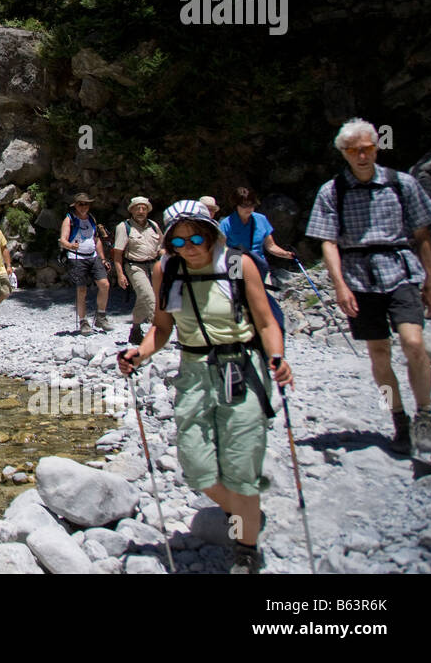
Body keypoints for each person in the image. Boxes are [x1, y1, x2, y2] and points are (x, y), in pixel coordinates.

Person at [118, 199, 292, 573]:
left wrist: (277, 357)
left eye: (196, 237)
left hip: (242, 369)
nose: (190, 247)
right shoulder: (167, 270)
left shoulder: (239, 265)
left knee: (242, 465)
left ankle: (246, 549)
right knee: (196, 467)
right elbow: (162, 329)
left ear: (211, 233)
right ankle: (246, 512)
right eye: (179, 242)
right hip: (194, 370)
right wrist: (140, 353)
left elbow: (265, 323)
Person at [304, 118, 431, 455]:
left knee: (413, 343)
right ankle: (397, 417)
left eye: (367, 148)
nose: (362, 156)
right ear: (344, 153)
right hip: (359, 278)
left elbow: (422, 235)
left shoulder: (402, 184)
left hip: (401, 271)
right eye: (354, 150)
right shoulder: (332, 191)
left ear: (376, 147)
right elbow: (329, 243)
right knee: (379, 354)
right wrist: (340, 286)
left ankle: (424, 415)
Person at [113, 197, 164, 339]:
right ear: (132, 210)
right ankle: (159, 334)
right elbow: (117, 253)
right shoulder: (124, 227)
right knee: (149, 297)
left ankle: (135, 330)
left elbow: (161, 245)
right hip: (135, 266)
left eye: (144, 208)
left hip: (154, 265)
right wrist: (120, 275)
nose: (141, 211)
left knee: (142, 299)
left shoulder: (153, 225)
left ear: (148, 210)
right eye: (138, 208)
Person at [219, 187, 295, 284]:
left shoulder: (261, 219)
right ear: (236, 205)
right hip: (236, 266)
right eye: (244, 205)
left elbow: (271, 246)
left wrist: (286, 254)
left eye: (251, 205)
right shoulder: (226, 224)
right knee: (239, 297)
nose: (249, 209)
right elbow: (221, 250)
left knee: (264, 297)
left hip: (259, 266)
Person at [59, 193, 110, 334]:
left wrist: (103, 258)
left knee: (105, 285)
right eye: (80, 204)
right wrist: (70, 246)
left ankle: (101, 315)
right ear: (75, 205)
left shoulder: (92, 219)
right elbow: (62, 240)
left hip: (93, 256)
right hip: (77, 258)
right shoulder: (69, 219)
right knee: (82, 290)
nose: (83, 207)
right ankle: (83, 322)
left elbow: (96, 240)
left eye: (86, 204)